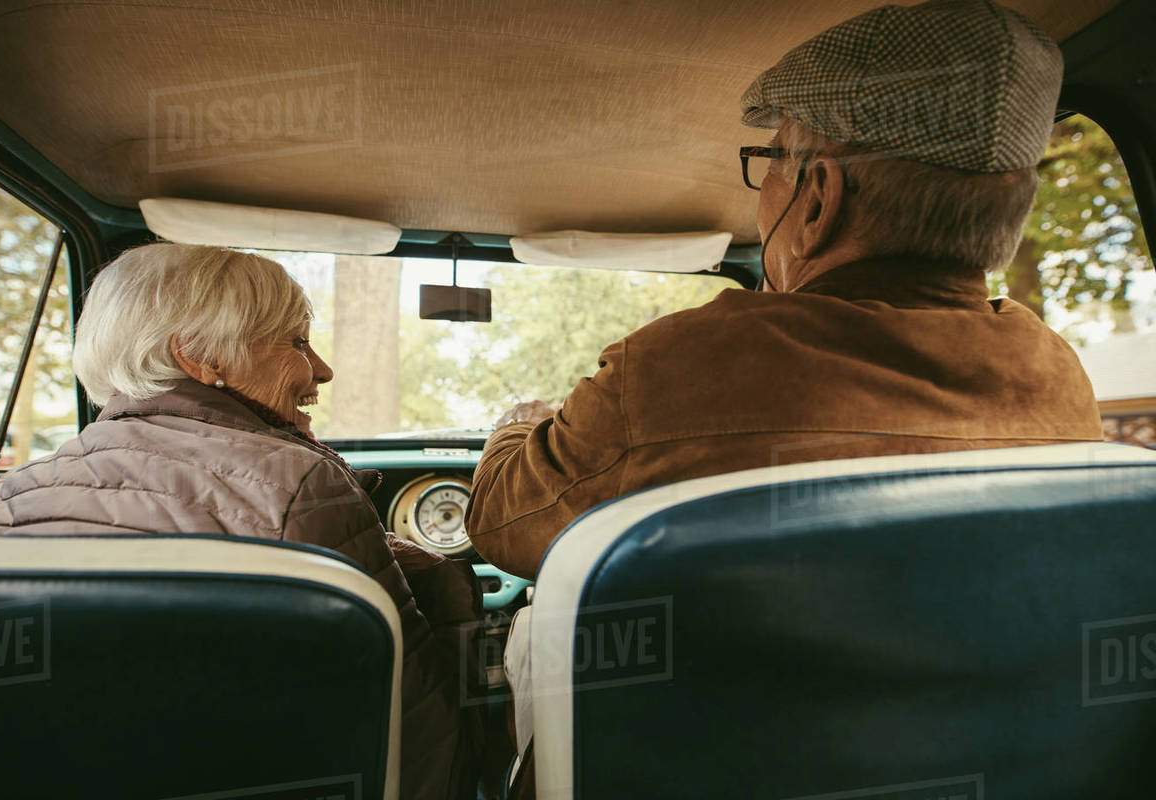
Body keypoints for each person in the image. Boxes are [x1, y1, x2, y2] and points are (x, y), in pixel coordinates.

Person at [466, 0, 1106, 795]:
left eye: (768, 163)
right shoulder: (1057, 375)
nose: (761, 193)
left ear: (818, 195)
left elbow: (502, 523)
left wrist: (515, 429)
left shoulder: (682, 367)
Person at [0, 243, 483, 800]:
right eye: (297, 341)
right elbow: (413, 743)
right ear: (199, 357)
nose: (322, 370)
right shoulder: (303, 486)